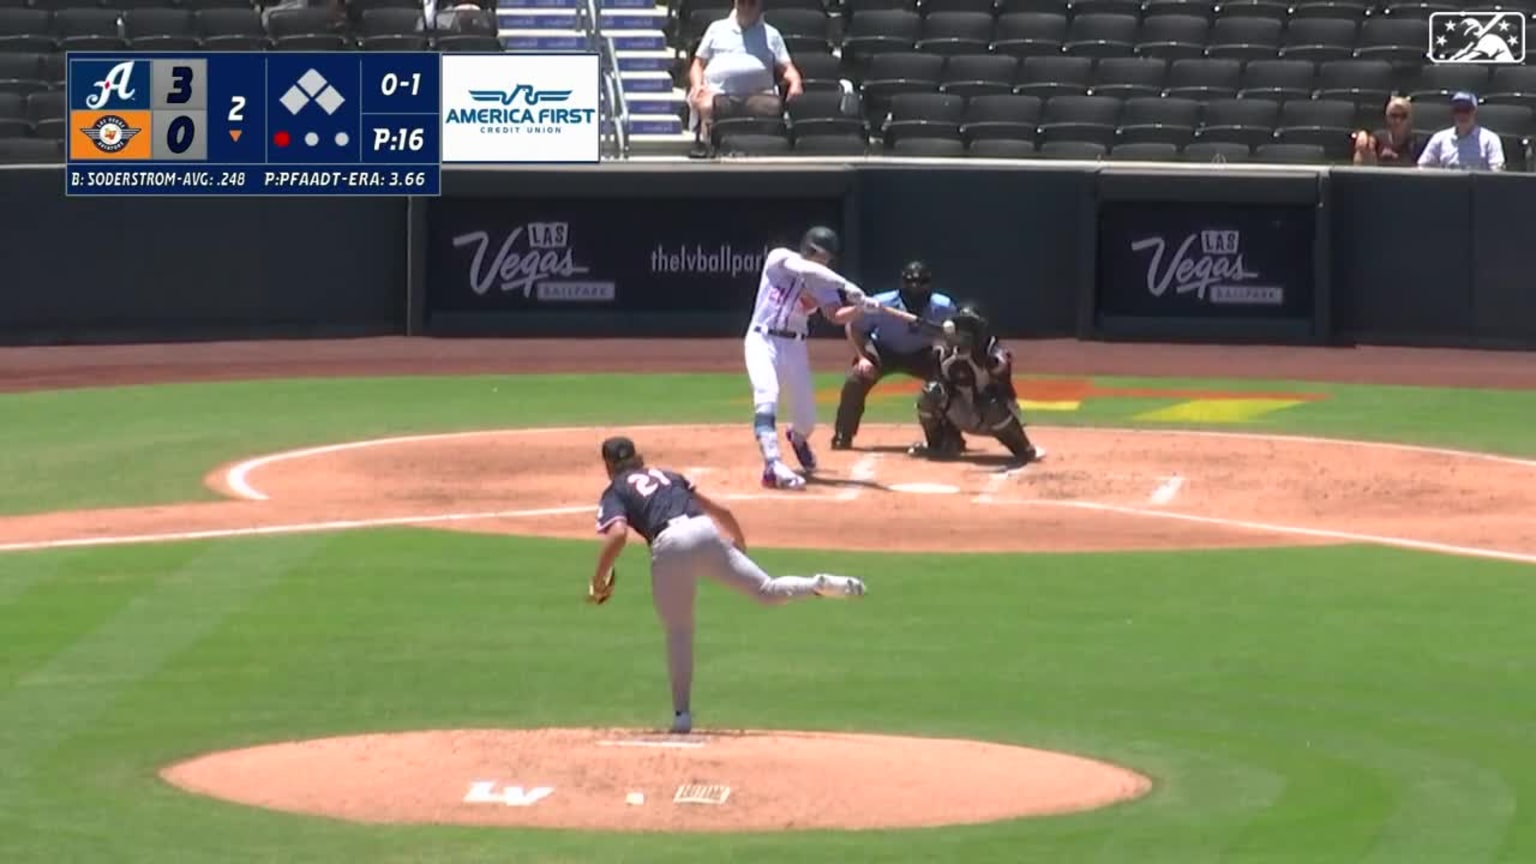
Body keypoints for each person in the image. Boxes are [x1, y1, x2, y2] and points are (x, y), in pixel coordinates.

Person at [587, 436, 867, 734]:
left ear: (608, 465)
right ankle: (817, 583)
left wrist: (598, 579)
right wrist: (738, 544)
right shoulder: (669, 476)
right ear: (637, 456)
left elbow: (617, 535)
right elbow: (721, 510)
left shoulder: (615, 490)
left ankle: (682, 715)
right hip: (704, 531)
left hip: (670, 545)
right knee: (767, 591)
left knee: (679, 631)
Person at [745, 226, 880, 490]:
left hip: (794, 346)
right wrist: (847, 285)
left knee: (807, 420)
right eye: (825, 256)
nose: (827, 261)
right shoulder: (780, 258)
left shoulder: (823, 282)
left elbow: (835, 315)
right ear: (812, 250)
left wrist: (861, 308)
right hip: (763, 340)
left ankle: (797, 439)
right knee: (766, 394)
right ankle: (772, 465)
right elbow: (808, 270)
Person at [831, 260, 956, 450]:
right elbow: (854, 327)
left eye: (921, 283)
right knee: (855, 380)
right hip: (883, 350)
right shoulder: (881, 303)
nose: (915, 287)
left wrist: (943, 347)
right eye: (911, 282)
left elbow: (953, 335)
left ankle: (950, 436)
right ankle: (843, 434)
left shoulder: (943, 306)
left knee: (949, 380)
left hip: (922, 353)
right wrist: (863, 357)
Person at [910, 304, 1046, 468]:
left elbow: (999, 366)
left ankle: (1023, 448)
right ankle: (941, 444)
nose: (965, 332)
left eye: (970, 327)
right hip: (962, 413)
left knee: (989, 403)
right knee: (931, 392)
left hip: (998, 415)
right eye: (962, 327)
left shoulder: (992, 349)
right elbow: (940, 385)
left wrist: (979, 355)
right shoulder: (944, 351)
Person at [687, 0, 804, 157]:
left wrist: (795, 82)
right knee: (706, 103)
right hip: (718, 93)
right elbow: (698, 64)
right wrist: (697, 85)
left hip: (759, 96)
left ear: (760, 5)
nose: (746, 7)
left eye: (752, 3)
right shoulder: (717, 28)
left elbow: (787, 68)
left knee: (775, 105)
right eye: (742, 2)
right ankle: (707, 146)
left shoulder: (771, 34)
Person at [1417, 91, 1505, 172]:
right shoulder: (1439, 138)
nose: (1462, 115)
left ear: (1474, 111)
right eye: (1458, 110)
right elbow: (1423, 168)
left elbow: (1497, 172)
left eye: (1466, 110)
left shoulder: (1490, 139)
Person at [1352, 97, 1422, 167]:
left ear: (1411, 119)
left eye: (1403, 116)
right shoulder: (1377, 138)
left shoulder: (1419, 144)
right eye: (1394, 116)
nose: (1398, 121)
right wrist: (1363, 145)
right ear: (1387, 117)